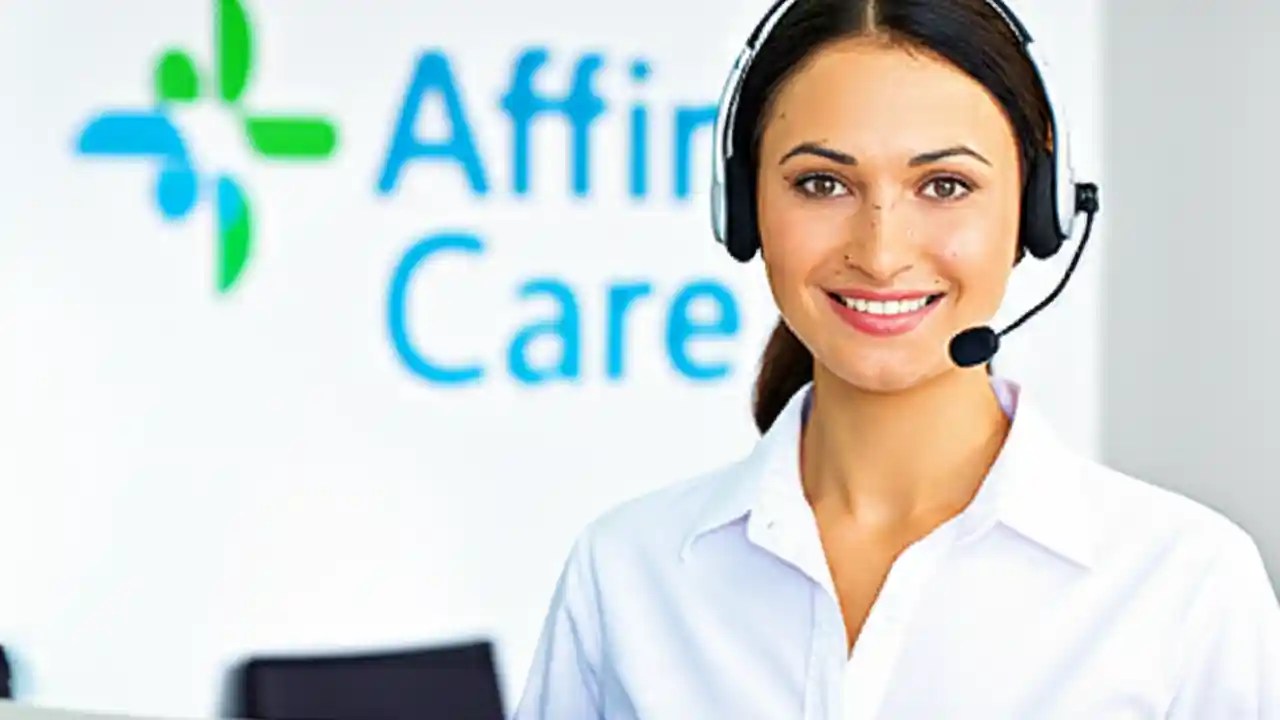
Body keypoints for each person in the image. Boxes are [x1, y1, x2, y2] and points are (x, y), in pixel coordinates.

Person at [513, 0, 1280, 717]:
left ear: (1037, 210)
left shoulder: (1183, 584)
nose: (880, 254)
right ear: (743, 208)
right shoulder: (627, 574)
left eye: (944, 185)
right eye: (821, 184)